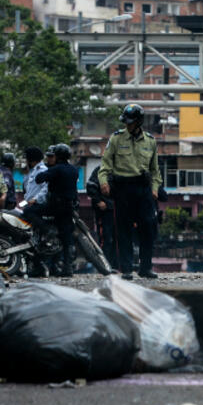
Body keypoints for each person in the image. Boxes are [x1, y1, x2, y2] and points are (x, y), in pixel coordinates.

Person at [98, 104, 159, 280]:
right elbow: (105, 164)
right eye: (126, 122)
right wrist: (103, 182)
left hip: (143, 189)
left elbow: (155, 170)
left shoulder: (150, 141)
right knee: (123, 230)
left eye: (131, 122)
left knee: (147, 229)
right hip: (123, 188)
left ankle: (145, 267)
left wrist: (154, 188)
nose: (128, 125)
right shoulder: (116, 139)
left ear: (139, 122)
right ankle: (126, 269)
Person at [36, 144, 79, 276]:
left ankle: (45, 228)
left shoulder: (56, 169)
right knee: (66, 239)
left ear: (58, 156)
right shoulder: (74, 170)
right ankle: (67, 268)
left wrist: (47, 171)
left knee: (29, 212)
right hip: (69, 207)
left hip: (55, 207)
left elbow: (39, 179)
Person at [86, 166, 117, 270]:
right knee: (105, 238)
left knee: (117, 239)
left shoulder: (123, 169)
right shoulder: (100, 169)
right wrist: (98, 201)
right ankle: (104, 266)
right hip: (105, 210)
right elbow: (90, 186)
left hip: (118, 210)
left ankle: (115, 266)